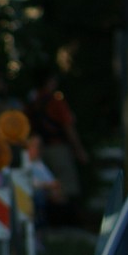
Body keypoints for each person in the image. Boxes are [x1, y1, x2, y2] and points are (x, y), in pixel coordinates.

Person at [25, 67, 89, 224]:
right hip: (57, 148)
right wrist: (79, 149)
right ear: (50, 82)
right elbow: (68, 126)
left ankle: (49, 221)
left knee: (46, 189)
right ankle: (65, 221)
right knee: (64, 188)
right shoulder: (56, 102)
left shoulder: (32, 103)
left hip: (38, 151)